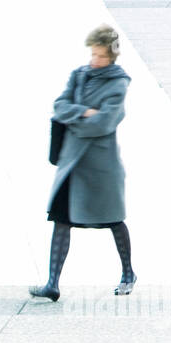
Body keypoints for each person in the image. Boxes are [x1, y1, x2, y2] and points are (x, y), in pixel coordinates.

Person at [30, 25, 136, 302]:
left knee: (113, 220)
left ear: (112, 56)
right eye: (93, 54)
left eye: (100, 56)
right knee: (61, 219)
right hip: (71, 165)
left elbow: (105, 122)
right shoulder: (79, 75)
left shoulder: (118, 83)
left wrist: (77, 119)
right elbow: (60, 106)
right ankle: (52, 283)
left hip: (100, 166)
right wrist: (83, 113)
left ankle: (128, 273)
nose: (95, 60)